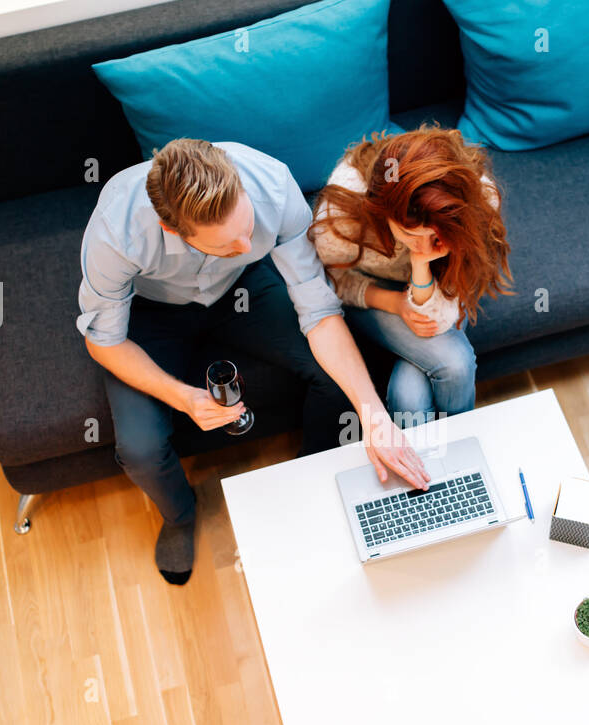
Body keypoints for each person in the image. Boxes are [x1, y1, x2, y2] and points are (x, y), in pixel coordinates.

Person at [78, 139, 430, 585]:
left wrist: (375, 416)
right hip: (152, 314)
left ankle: (311, 473)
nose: (247, 242)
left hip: (244, 290)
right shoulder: (116, 230)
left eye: (248, 227)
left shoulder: (272, 185)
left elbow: (319, 309)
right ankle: (180, 518)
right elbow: (103, 341)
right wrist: (183, 397)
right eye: (228, 241)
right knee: (139, 448)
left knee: (341, 382)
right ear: (174, 231)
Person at [309, 126, 511, 427]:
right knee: (454, 362)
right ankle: (445, 458)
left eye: (434, 238)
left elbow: (440, 314)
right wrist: (394, 302)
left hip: (434, 285)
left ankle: (454, 459)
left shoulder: (477, 200)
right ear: (381, 213)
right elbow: (325, 280)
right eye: (409, 235)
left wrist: (421, 263)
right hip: (367, 290)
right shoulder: (340, 217)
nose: (422, 244)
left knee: (410, 399)